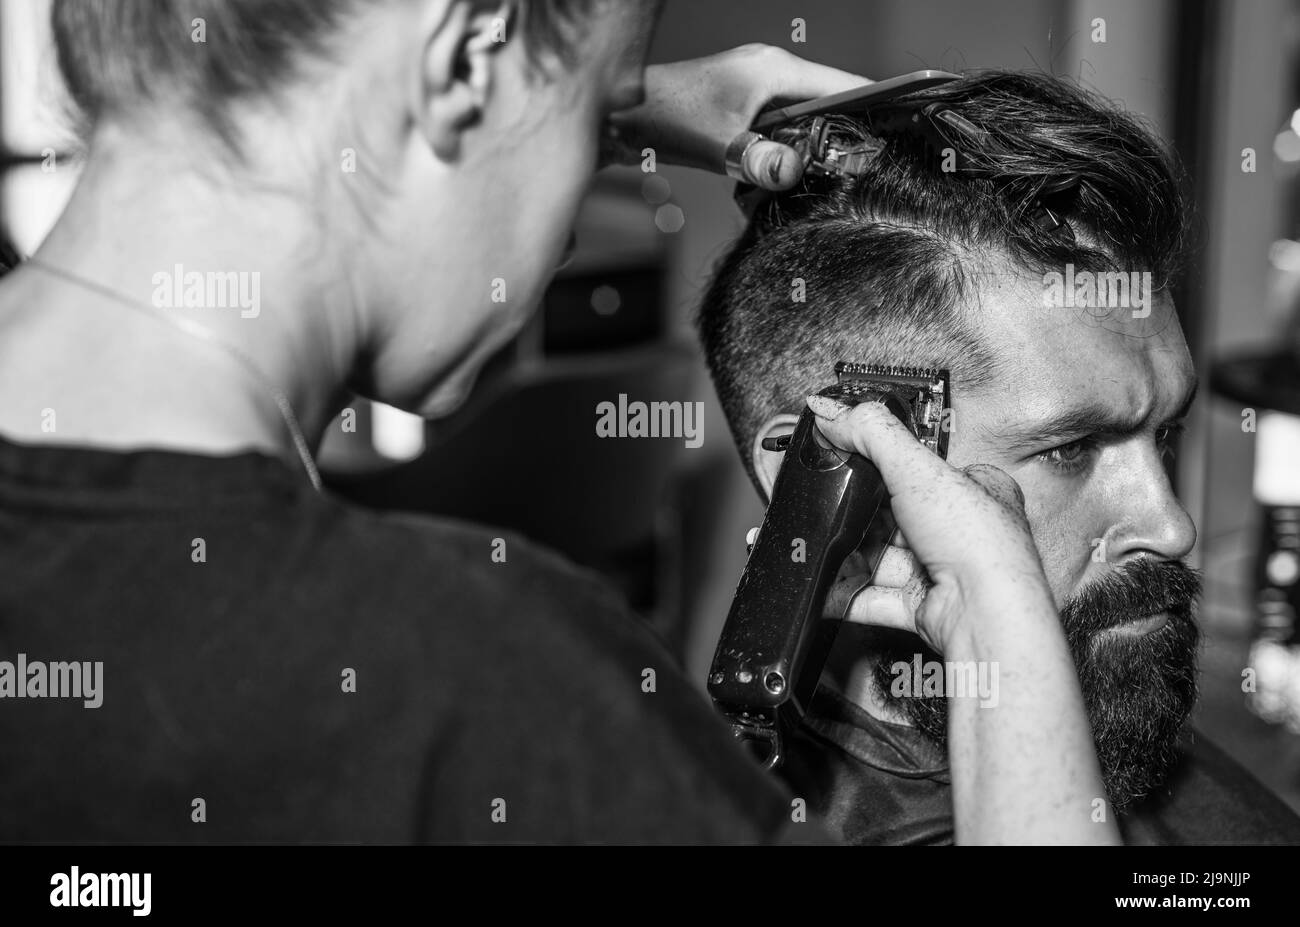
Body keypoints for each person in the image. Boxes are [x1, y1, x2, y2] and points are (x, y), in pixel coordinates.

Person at [0, 0, 1104, 844]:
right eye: (592, 124)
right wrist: (1004, 635)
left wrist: (568, 93)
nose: (579, 211)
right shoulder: (477, 683)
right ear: (462, 58)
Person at [697, 69, 1300, 844]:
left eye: (1166, 434)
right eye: (1069, 449)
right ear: (827, 463)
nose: (1172, 526)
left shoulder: (1128, 732)